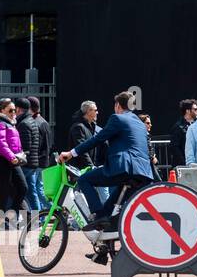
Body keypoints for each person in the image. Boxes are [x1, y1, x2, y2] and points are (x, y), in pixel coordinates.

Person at [59, 92, 155, 248]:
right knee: (107, 213)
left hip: (124, 168)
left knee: (85, 180)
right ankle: (103, 248)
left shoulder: (117, 118)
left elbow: (98, 139)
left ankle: (96, 214)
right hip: (142, 173)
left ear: (117, 105)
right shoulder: (139, 123)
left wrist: (71, 153)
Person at [0, 99, 29, 219]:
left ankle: (9, 216)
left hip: (12, 159)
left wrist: (18, 154)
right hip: (5, 160)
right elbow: (1, 143)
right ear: (2, 110)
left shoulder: (10, 123)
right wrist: (12, 157)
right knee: (4, 191)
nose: (14, 112)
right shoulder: (0, 123)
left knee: (22, 188)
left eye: (14, 110)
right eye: (10, 110)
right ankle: (0, 219)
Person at [14, 97, 48, 213]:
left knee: (20, 190)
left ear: (18, 109)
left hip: (28, 162)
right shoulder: (37, 122)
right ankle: (38, 217)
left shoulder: (25, 124)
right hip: (36, 162)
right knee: (33, 191)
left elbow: (26, 147)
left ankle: (13, 219)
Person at [170, 99, 197, 167]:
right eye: (195, 109)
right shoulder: (178, 127)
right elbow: (175, 147)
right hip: (184, 165)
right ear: (188, 111)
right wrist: (185, 162)